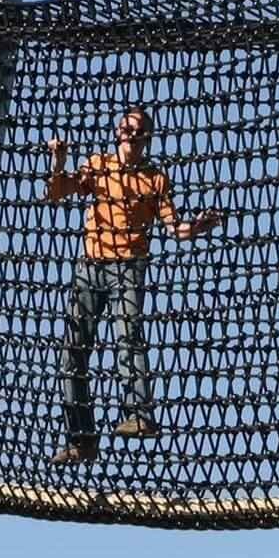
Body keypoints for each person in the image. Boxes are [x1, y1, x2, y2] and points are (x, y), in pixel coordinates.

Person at [44, 107, 221, 466]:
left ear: (144, 138)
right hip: (90, 265)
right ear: (118, 132)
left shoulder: (154, 179)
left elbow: (174, 229)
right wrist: (58, 162)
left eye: (135, 129)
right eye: (124, 127)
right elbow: (55, 193)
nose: (128, 132)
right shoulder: (98, 165)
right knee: (71, 352)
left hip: (128, 267)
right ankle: (82, 440)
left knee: (128, 338)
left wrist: (198, 227)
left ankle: (139, 414)